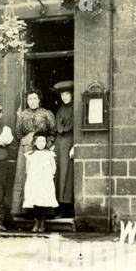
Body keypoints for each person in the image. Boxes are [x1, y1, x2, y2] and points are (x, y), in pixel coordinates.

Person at [11, 91, 57, 219]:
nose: (32, 101)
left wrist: (47, 144)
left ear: (39, 100)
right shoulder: (22, 115)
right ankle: (24, 210)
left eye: (35, 98)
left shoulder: (46, 113)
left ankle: (45, 211)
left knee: (43, 177)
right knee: (25, 175)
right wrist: (28, 140)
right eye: (30, 98)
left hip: (43, 145)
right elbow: (18, 132)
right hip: (26, 146)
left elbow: (53, 130)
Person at [22, 134, 59, 233]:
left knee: (43, 201)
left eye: (43, 141)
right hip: (34, 180)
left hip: (45, 180)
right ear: (34, 143)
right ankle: (36, 222)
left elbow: (53, 168)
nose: (41, 144)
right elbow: (27, 169)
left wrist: (49, 176)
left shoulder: (49, 154)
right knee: (35, 200)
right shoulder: (30, 155)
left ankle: (43, 222)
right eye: (39, 142)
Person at [53, 80, 76, 212]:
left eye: (67, 94)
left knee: (67, 175)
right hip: (59, 143)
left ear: (72, 94)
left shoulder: (75, 108)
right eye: (62, 95)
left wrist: (75, 146)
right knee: (58, 174)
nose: (65, 97)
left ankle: (67, 208)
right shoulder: (61, 109)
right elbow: (57, 127)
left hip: (69, 142)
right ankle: (58, 207)